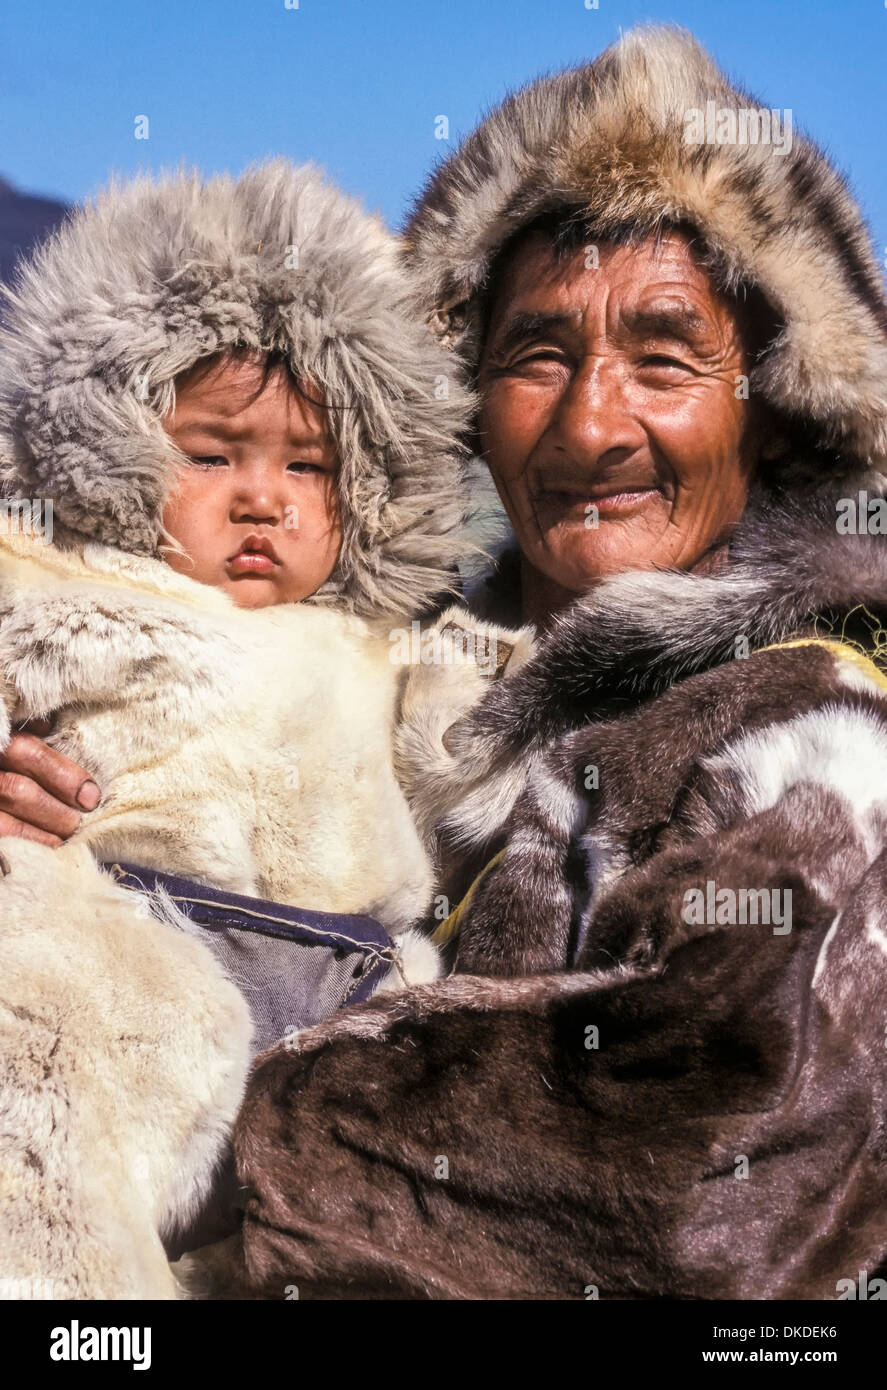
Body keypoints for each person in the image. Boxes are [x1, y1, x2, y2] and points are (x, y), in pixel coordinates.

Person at [191, 26, 887, 1299]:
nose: (586, 423)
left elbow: (692, 1167)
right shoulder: (361, 676)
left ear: (775, 417)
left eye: (664, 359)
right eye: (537, 354)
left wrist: (187, 1136)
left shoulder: (815, 750)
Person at [0, 159, 485, 1297]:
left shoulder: (387, 641)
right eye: (212, 454)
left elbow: (478, 736)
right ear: (112, 450)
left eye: (308, 467)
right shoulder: (65, 577)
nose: (262, 496)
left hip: (355, 998)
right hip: (132, 955)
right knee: (48, 1099)